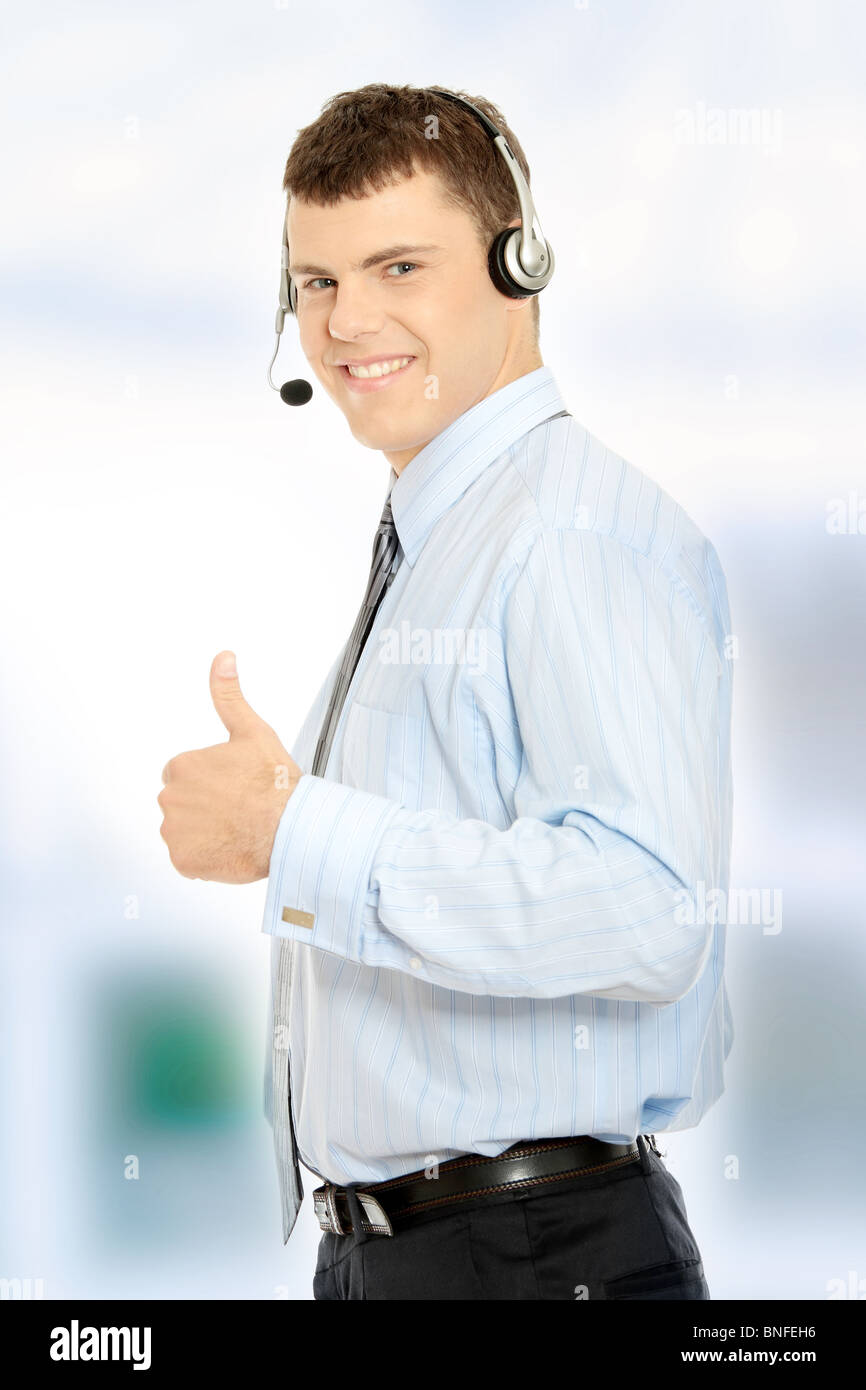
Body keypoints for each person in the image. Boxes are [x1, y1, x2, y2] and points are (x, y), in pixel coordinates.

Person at [158, 83, 734, 1301]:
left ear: (517, 263)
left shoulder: (571, 531)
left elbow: (645, 903)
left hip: (531, 1258)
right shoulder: (446, 534)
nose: (344, 319)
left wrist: (292, 830)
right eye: (314, 281)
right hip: (425, 1256)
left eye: (397, 265)